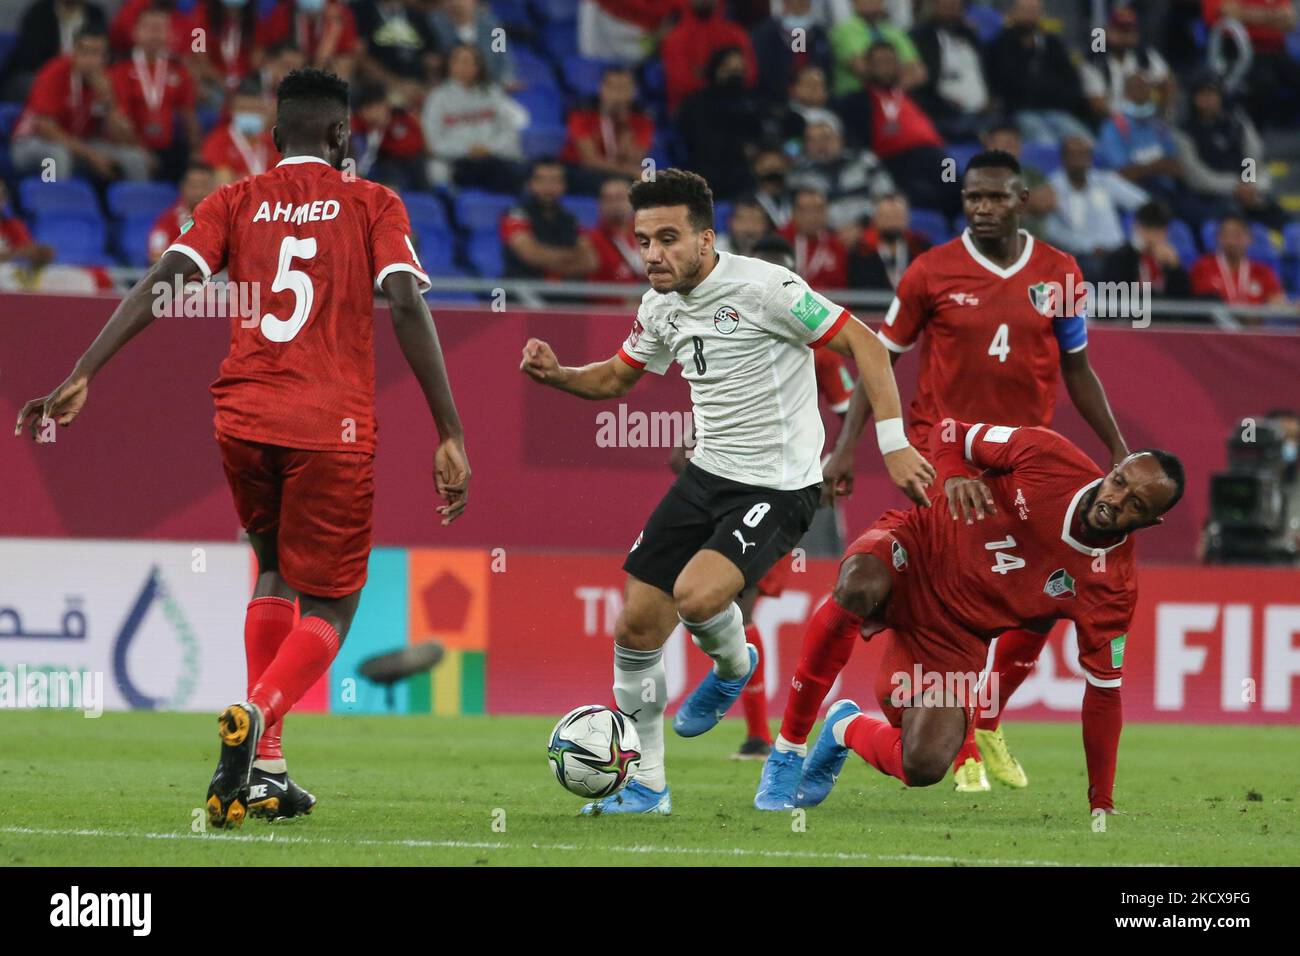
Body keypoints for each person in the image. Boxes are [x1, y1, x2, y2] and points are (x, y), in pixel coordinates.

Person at [14, 68, 469, 829]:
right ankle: (257, 713)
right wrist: (450, 428)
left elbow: (165, 279)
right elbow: (404, 301)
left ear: (274, 136)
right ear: (340, 137)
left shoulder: (235, 200)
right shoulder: (371, 202)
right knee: (334, 598)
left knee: (274, 569)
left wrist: (83, 371)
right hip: (331, 424)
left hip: (243, 417)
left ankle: (267, 767)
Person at [518, 168, 934, 815]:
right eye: (644, 240)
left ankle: (736, 666)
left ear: (707, 239)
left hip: (781, 483)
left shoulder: (767, 287)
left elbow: (868, 347)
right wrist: (557, 375)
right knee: (634, 624)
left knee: (696, 595)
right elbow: (615, 380)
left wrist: (894, 441)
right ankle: (648, 787)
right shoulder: (658, 304)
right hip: (708, 476)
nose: (653, 254)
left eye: (668, 239)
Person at [809, 149, 1130, 794]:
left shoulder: (1060, 274)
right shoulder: (931, 272)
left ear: (1022, 198)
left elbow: (1077, 369)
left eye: (995, 198)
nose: (982, 208)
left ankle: (981, 718)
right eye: (972, 199)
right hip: (944, 461)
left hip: (1022, 467)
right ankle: (952, 741)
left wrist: (1117, 450)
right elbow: (880, 359)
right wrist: (846, 446)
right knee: (959, 593)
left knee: (1044, 594)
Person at [756, 421, 1183, 816]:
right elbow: (949, 432)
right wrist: (955, 474)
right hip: (920, 544)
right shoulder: (1049, 456)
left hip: (956, 636)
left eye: (1135, 504)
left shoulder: (1113, 589)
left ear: (1152, 521)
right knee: (857, 584)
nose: (1114, 500)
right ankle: (788, 749)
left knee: (924, 764)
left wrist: (1101, 802)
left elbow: (1104, 693)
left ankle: (843, 727)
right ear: (1112, 469)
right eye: (1119, 482)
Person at [668, 231, 856, 759]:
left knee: (737, 603)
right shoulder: (726, 336)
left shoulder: (816, 349)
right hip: (727, 484)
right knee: (724, 603)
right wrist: (690, 445)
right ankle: (755, 728)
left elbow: (846, 415)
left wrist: (829, 468)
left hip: (786, 490)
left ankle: (759, 734)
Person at [10, 27, 153, 183]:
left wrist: (108, 102)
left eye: (97, 53)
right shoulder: (56, 71)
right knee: (55, 156)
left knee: (134, 158)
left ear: (105, 58)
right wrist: (91, 156)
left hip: (80, 143)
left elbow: (123, 136)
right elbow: (45, 129)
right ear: (74, 53)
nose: (90, 60)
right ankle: (51, 196)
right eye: (85, 52)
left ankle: (137, 204)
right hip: (32, 143)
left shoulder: (108, 80)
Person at [1174, 73, 1290, 232]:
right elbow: (1196, 176)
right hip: (1209, 197)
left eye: (1212, 94)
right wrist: (1235, 187)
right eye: (1202, 94)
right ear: (1193, 99)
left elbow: (1252, 158)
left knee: (1285, 218)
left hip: (1246, 191)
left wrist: (1250, 185)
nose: (1207, 100)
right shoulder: (1184, 133)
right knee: (1229, 216)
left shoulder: (1238, 125)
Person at [108, 2, 199, 182]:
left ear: (170, 34)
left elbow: (188, 116)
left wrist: (197, 152)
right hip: (132, 145)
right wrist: (142, 150)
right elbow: (119, 121)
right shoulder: (119, 71)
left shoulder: (179, 72)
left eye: (160, 29)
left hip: (170, 148)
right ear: (135, 32)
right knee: (137, 161)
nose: (155, 35)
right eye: (149, 28)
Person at [421, 43, 526, 193]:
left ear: (479, 66)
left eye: (471, 61)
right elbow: (433, 143)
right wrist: (467, 150)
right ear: (450, 65)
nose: (466, 66)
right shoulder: (437, 98)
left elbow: (509, 132)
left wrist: (487, 149)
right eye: (461, 61)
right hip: (456, 163)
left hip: (494, 159)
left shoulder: (493, 93)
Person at [1042, 135, 1149, 280]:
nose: (1079, 159)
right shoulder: (1052, 187)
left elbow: (1145, 203)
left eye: (1083, 154)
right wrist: (1087, 248)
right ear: (1063, 158)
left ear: (1090, 158)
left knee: (1140, 262)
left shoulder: (1106, 181)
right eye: (1073, 154)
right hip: (1080, 256)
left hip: (1117, 253)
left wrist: (1140, 234)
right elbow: (1050, 230)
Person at [985, 0, 1091, 146]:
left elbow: (1071, 80)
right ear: (1012, 13)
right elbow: (1003, 83)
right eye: (1024, 10)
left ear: (1042, 15)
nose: (1029, 16)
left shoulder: (1053, 44)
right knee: (1046, 142)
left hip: (1056, 111)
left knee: (1085, 143)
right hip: (1019, 112)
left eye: (1034, 11)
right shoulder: (1000, 45)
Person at [675, 47, 766, 201]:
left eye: (739, 70)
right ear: (716, 70)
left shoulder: (752, 105)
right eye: (729, 69)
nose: (734, 75)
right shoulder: (695, 104)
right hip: (704, 179)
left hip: (743, 182)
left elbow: (758, 141)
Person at [789, 111, 895, 229]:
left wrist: (861, 225)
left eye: (825, 138)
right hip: (824, 235)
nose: (820, 145)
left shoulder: (865, 162)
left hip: (869, 229)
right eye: (812, 140)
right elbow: (799, 215)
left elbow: (887, 197)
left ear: (840, 139)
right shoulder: (799, 175)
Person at [561, 66, 655, 195]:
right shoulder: (582, 113)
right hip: (581, 171)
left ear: (633, 91)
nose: (618, 93)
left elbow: (634, 159)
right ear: (602, 88)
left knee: (655, 186)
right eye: (612, 87)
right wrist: (631, 172)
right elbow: (590, 160)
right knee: (617, 186)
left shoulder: (642, 119)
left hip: (620, 172)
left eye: (623, 88)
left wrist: (623, 123)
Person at [500, 159, 599, 280]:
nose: (548, 187)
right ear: (530, 184)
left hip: (563, 293)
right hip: (522, 290)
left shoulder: (571, 219)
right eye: (542, 180)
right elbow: (530, 254)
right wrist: (571, 256)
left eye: (555, 180)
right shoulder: (515, 214)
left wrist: (549, 260)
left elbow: (590, 261)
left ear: (564, 186)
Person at [908, 0, 991, 142]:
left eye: (956, 4)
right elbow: (920, 83)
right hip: (944, 114)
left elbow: (988, 71)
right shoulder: (920, 37)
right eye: (946, 4)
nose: (951, 7)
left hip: (984, 113)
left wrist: (992, 99)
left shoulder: (970, 35)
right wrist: (945, 103)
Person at [661, 0, 757, 113]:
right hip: (691, 112)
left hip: (734, 106)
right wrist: (723, 78)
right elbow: (681, 85)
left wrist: (704, 75)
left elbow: (750, 76)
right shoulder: (674, 39)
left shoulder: (737, 35)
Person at [1099, 200, 1192, 304]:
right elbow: (1113, 296)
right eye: (1149, 229)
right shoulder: (1119, 258)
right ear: (1137, 227)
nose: (1154, 236)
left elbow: (1183, 300)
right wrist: (1136, 253)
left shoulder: (1169, 259)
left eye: (1160, 231)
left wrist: (1174, 269)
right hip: (1131, 316)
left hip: (1165, 317)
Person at [1189, 213, 1287, 309]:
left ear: (1250, 238)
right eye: (1226, 235)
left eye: (1237, 235)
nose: (1231, 241)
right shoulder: (1202, 267)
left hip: (1254, 324)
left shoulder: (1262, 272)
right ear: (1217, 238)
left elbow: (1278, 305)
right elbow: (1194, 304)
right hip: (1215, 323)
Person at [829, 0, 925, 97]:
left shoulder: (894, 31)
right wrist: (894, 80)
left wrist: (892, 92)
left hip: (897, 98)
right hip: (857, 98)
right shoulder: (844, 30)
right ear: (854, 3)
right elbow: (862, 68)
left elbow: (918, 72)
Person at [200, 77, 280, 184]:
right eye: (243, 108)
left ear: (264, 112)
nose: (249, 113)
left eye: (254, 109)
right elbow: (221, 182)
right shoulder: (218, 141)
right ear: (232, 110)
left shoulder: (273, 143)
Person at [846, 192, 931, 290]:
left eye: (897, 216)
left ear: (907, 219)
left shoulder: (921, 248)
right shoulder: (860, 252)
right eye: (887, 216)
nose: (892, 222)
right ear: (875, 219)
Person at [779, 187, 848, 290]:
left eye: (818, 210)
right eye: (805, 210)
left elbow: (844, 290)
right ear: (794, 213)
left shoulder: (836, 245)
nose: (812, 217)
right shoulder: (780, 241)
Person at [148, 162, 216, 263]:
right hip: (177, 277)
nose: (198, 192)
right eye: (193, 186)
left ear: (214, 188)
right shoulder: (168, 221)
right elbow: (156, 258)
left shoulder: (224, 220)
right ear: (183, 187)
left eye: (204, 186)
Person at [584, 177, 642, 291]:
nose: (614, 204)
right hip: (609, 307)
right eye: (608, 199)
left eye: (620, 198)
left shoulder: (649, 234)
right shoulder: (589, 239)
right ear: (599, 204)